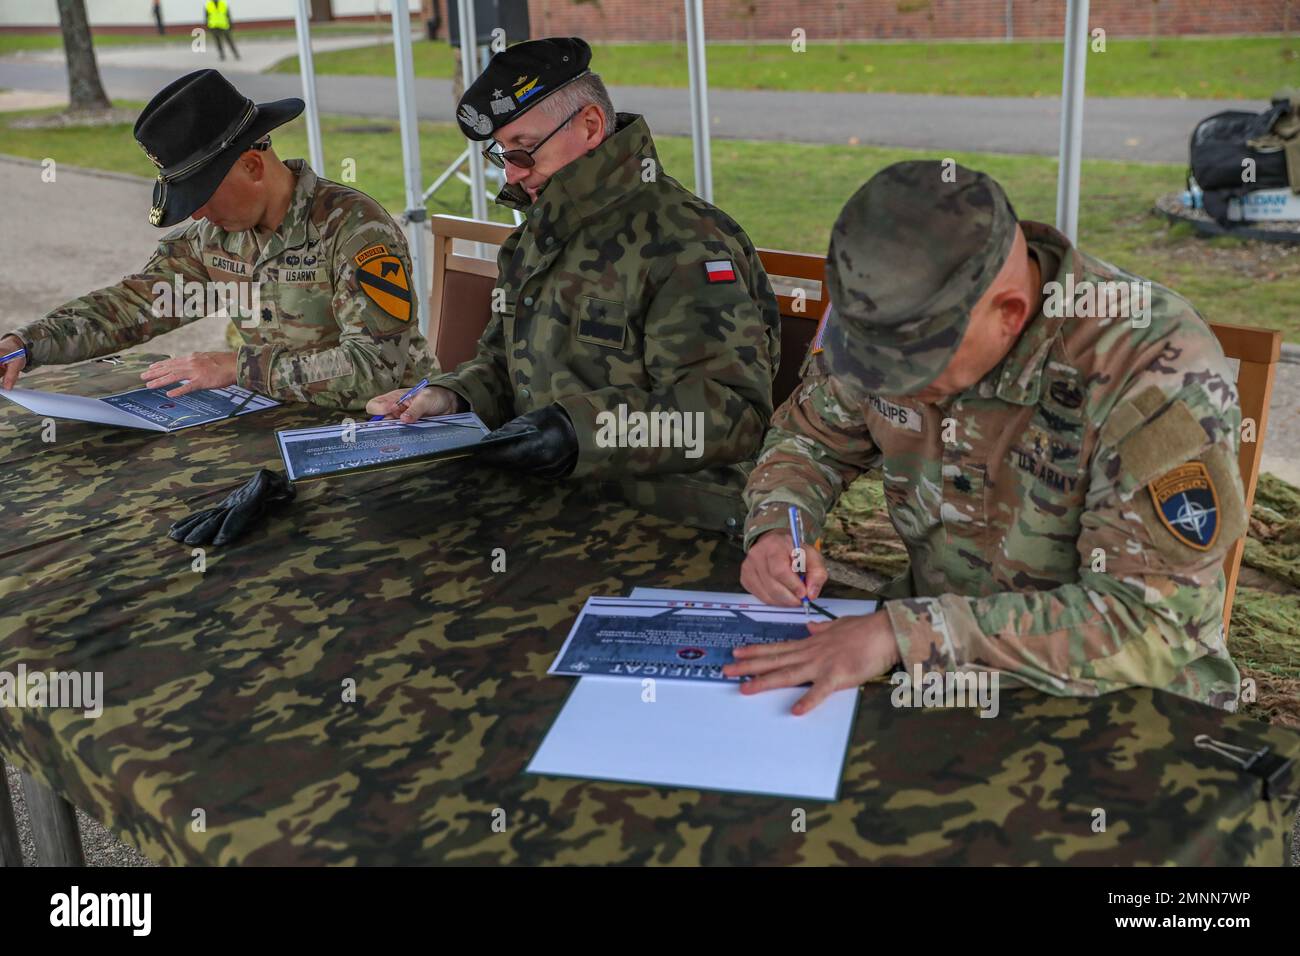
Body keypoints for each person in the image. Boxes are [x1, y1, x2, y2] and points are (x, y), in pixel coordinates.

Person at [731, 160, 1246, 715]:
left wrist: (904, 636)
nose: (893, 385)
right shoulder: (893, 319)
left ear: (1010, 313)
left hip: (1121, 700)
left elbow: (1148, 621)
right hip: (930, 675)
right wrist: (779, 525)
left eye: (916, 369)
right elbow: (813, 438)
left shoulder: (1152, 367)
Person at [368, 37, 781, 533]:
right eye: (503, 154)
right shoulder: (536, 237)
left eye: (525, 149)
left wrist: (576, 430)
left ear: (590, 126)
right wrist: (449, 396)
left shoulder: (685, 242)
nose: (515, 174)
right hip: (546, 500)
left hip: (665, 515)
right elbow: (502, 366)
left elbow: (730, 413)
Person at [1, 70, 432, 412]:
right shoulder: (214, 235)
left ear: (252, 166)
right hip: (278, 417)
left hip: (386, 422)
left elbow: (374, 369)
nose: (196, 212)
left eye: (202, 194)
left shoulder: (355, 229)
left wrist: (239, 367)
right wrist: (27, 343)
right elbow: (132, 306)